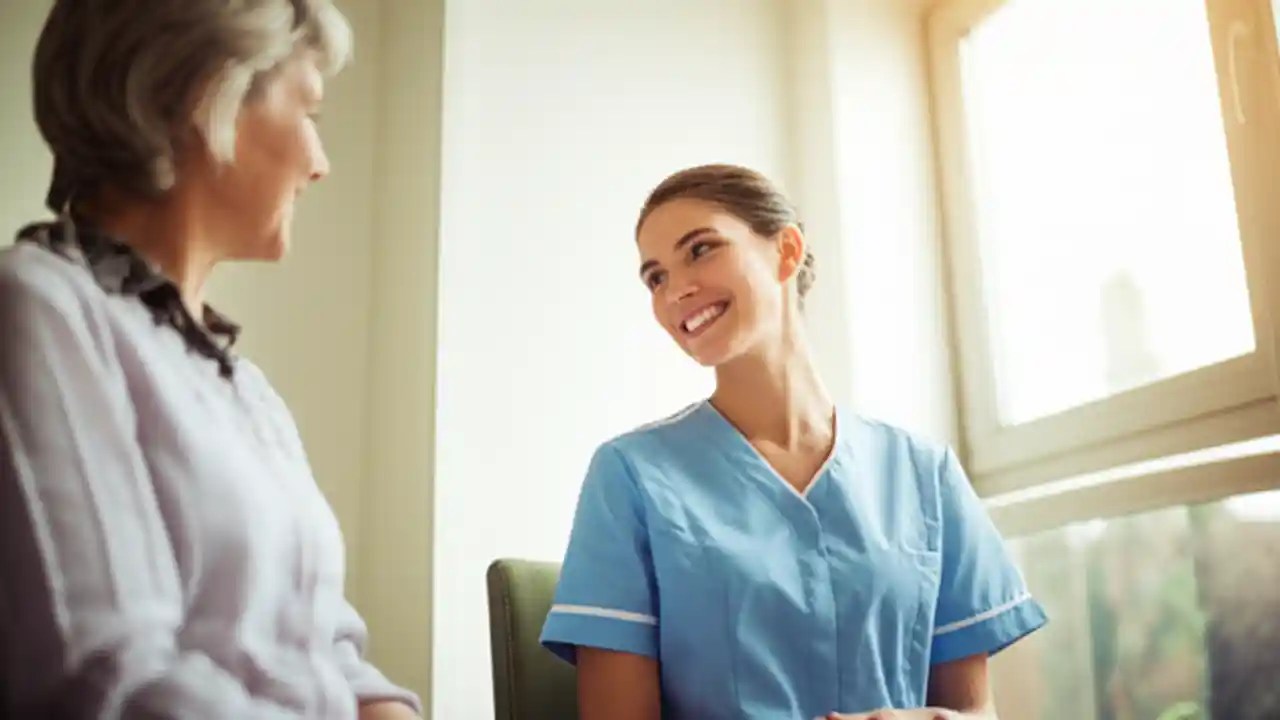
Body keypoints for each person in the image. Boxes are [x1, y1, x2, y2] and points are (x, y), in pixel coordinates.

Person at [0, 1, 420, 718]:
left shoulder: (243, 386)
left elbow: (334, 657)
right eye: (310, 110)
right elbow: (109, 680)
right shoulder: (38, 306)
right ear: (207, 94)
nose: (319, 164)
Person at [540, 164, 1047, 719]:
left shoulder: (925, 472)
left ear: (786, 251)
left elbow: (976, 714)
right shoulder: (630, 476)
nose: (676, 289)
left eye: (701, 250)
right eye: (655, 277)